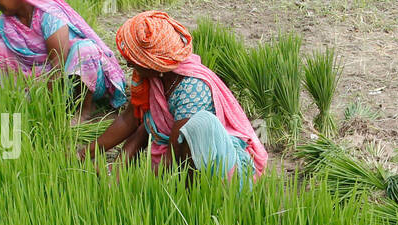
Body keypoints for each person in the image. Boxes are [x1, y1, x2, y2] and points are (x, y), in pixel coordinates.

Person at [77, 11, 266, 185]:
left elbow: (173, 155)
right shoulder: (155, 77)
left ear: (153, 64)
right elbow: (131, 119)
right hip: (177, 152)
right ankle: (117, 174)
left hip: (212, 166)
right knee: (147, 122)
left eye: (134, 61)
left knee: (186, 130)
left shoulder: (191, 89)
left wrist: (143, 190)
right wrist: (83, 154)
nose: (127, 64)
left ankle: (191, 198)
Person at [0, 0, 128, 122]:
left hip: (73, 81)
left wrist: (44, 111)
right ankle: (25, 102)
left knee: (84, 49)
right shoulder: (5, 24)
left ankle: (85, 109)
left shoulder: (49, 16)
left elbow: (57, 67)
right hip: (36, 84)